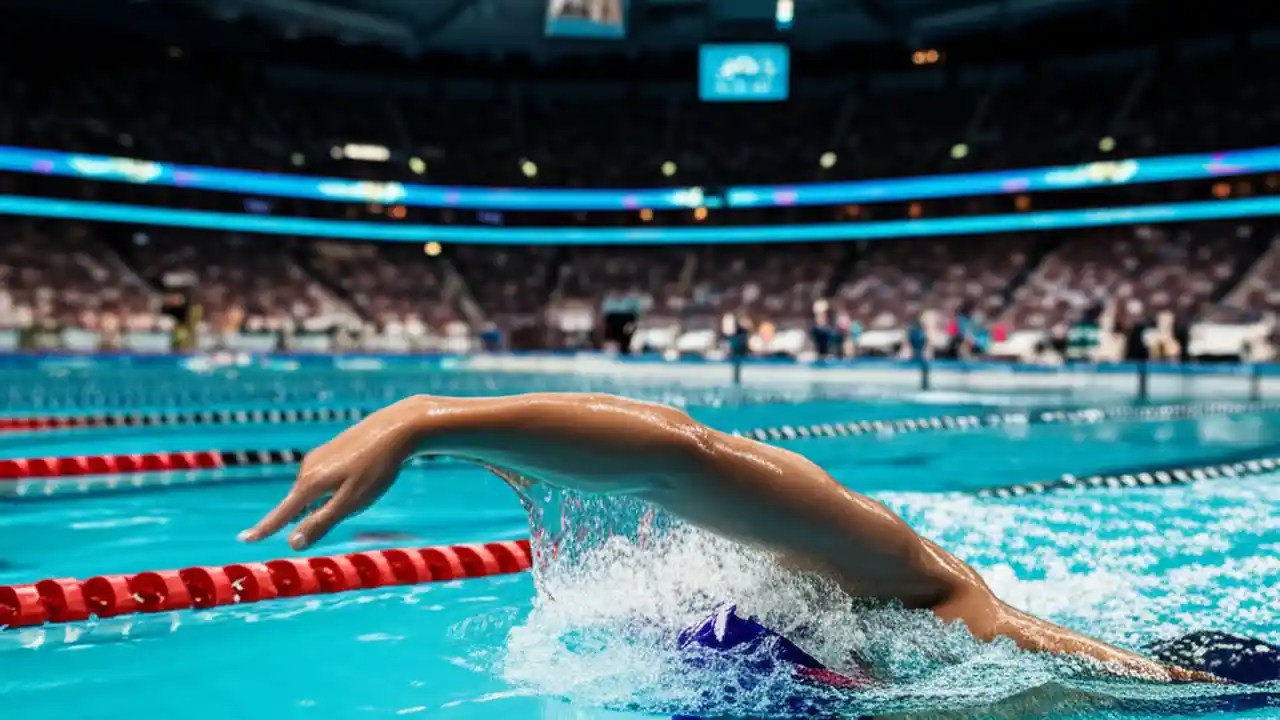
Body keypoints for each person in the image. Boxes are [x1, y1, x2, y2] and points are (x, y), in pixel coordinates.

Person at [240, 392, 1234, 685]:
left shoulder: (898, 576)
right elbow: (680, 465)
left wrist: (429, 418)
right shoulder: (787, 594)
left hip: (1193, 696)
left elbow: (682, 453)